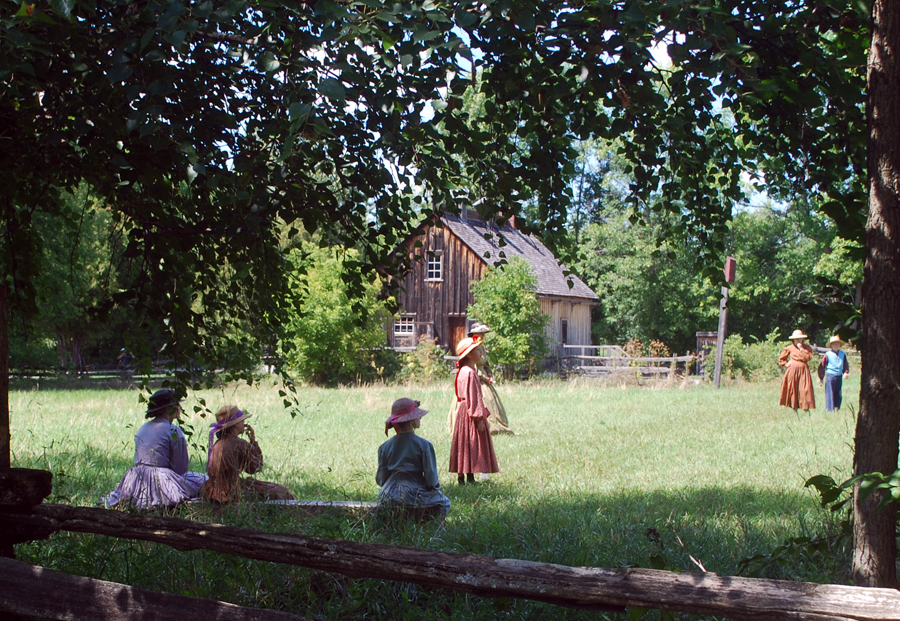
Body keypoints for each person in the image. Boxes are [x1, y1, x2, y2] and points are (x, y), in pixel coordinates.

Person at [101, 389, 207, 509]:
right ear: (169, 409)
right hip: (163, 478)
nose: (180, 408)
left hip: (136, 478)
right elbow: (180, 468)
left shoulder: (143, 427)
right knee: (204, 480)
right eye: (178, 405)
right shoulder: (174, 430)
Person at [376, 397, 451, 520]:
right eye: (417, 415)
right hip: (415, 492)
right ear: (411, 421)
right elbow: (431, 479)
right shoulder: (424, 445)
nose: (420, 418)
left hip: (389, 494)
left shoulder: (385, 447)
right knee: (444, 502)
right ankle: (436, 530)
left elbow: (381, 479)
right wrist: (433, 489)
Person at [202, 405, 294, 503]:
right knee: (280, 490)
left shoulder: (218, 443)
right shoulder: (239, 444)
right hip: (230, 491)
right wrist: (253, 442)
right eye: (242, 421)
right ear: (236, 424)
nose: (244, 423)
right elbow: (256, 467)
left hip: (211, 491)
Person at [447, 322, 514, 435]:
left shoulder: (480, 347)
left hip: (484, 378)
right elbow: (473, 368)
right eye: (480, 333)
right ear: (474, 333)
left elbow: (485, 364)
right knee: (475, 400)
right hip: (474, 380)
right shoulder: (469, 348)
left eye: (483, 333)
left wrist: (489, 375)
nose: (482, 336)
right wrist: (484, 378)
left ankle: (494, 424)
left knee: (491, 402)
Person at [449, 337, 500, 485]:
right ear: (469, 355)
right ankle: (468, 478)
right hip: (470, 412)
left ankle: (465, 477)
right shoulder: (470, 373)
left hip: (463, 411)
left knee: (464, 443)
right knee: (471, 442)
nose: (480, 352)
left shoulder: (464, 371)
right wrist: (479, 418)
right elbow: (474, 397)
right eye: (477, 350)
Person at [778, 329, 816, 413]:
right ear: (793, 339)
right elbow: (781, 360)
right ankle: (794, 408)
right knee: (793, 388)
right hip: (793, 371)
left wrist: (801, 349)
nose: (798, 340)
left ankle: (806, 407)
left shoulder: (807, 348)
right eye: (796, 339)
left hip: (804, 371)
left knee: (805, 389)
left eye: (800, 338)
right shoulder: (789, 348)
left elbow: (808, 358)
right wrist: (786, 364)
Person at [818, 335, 850, 412]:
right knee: (830, 392)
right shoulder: (828, 354)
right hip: (830, 375)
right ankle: (829, 409)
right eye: (834, 344)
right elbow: (822, 366)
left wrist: (846, 372)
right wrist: (821, 378)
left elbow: (845, 364)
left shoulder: (842, 354)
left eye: (837, 344)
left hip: (839, 375)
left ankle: (837, 407)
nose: (836, 345)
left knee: (838, 392)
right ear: (831, 345)